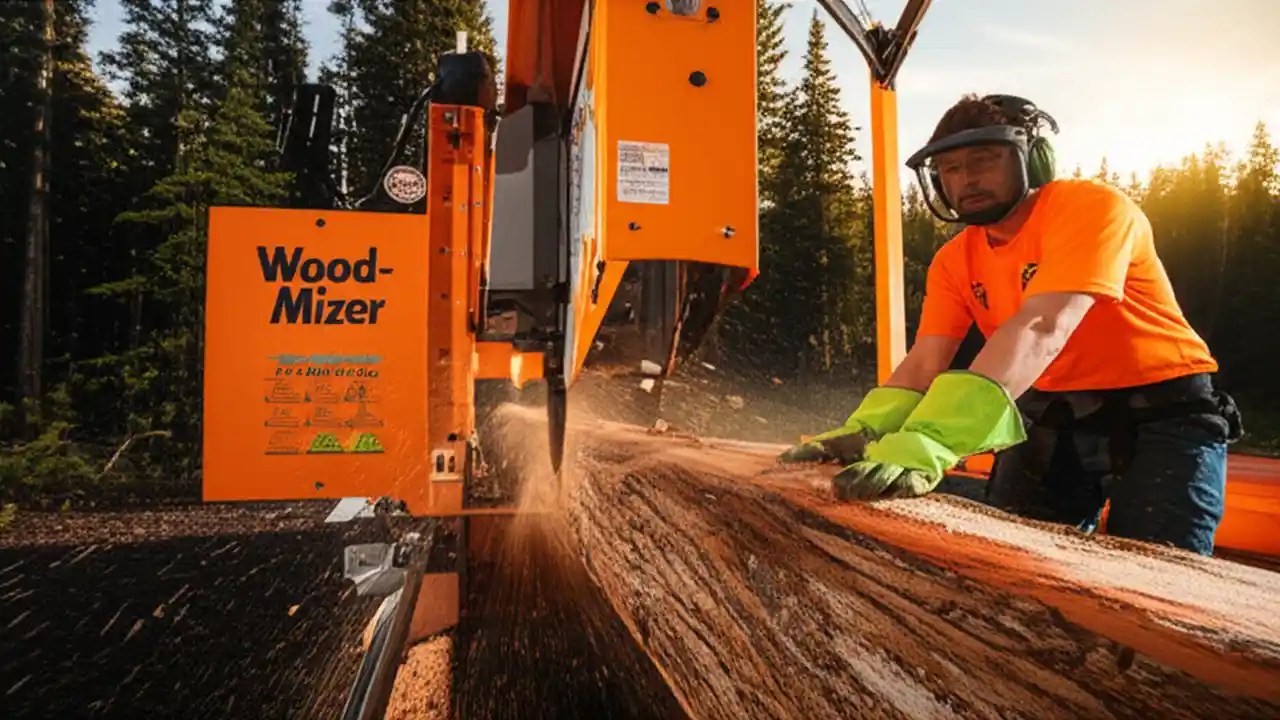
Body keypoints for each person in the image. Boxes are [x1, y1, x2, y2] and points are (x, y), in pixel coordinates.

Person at [779, 93, 1242, 556]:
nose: (967, 179)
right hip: (1053, 414)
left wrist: (931, 439)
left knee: (1158, 570)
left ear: (1032, 160)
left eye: (985, 159)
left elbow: (1043, 326)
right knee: (1008, 556)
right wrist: (866, 431)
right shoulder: (954, 260)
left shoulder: (1089, 208)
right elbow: (924, 362)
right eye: (951, 168)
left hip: (1161, 412)